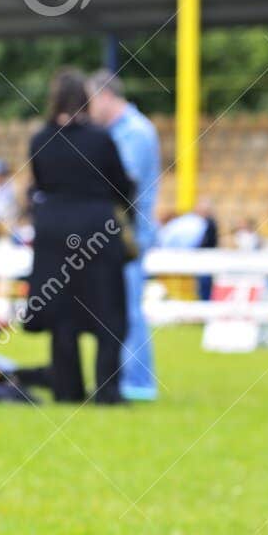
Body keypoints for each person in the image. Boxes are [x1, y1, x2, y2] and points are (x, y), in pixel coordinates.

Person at [24, 68, 134, 405]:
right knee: (108, 311)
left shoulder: (40, 139)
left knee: (62, 314)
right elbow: (123, 186)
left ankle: (67, 389)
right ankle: (107, 390)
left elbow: (39, 185)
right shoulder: (100, 138)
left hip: (54, 231)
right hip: (96, 229)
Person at [87, 71, 160, 401]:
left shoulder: (136, 132)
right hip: (116, 234)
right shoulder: (120, 131)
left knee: (129, 309)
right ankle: (126, 378)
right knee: (118, 308)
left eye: (90, 101)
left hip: (130, 236)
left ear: (104, 96)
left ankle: (139, 382)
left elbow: (121, 180)